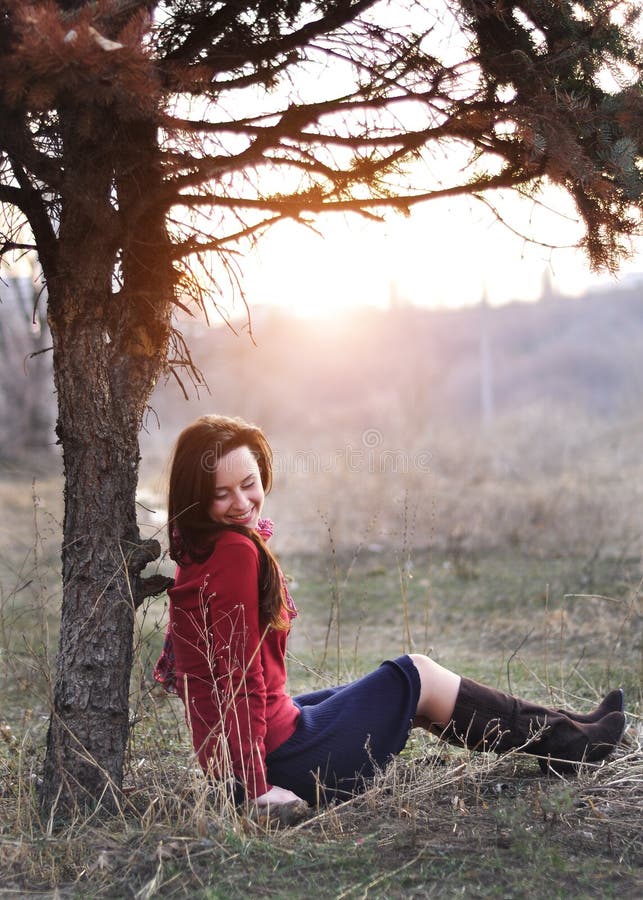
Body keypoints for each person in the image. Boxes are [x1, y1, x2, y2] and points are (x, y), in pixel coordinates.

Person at [154, 415, 626, 812]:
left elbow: (210, 684)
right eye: (222, 494)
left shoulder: (198, 550)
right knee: (413, 675)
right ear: (198, 496)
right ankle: (571, 744)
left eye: (249, 484)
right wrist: (254, 792)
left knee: (395, 688)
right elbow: (237, 680)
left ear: (263, 475)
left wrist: (227, 774)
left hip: (257, 747)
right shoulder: (235, 553)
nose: (241, 503)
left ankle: (572, 729)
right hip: (281, 760)